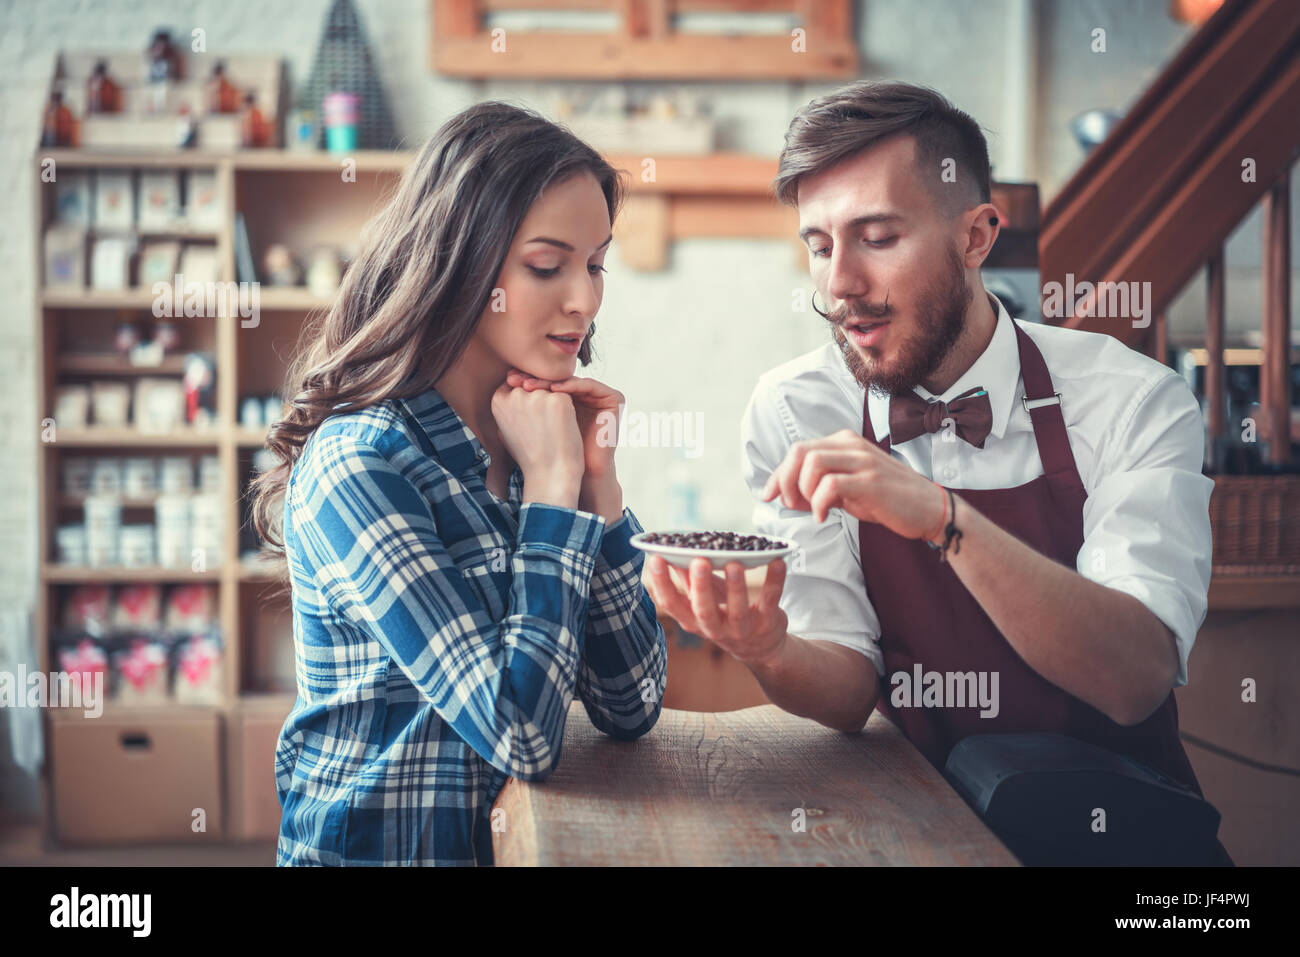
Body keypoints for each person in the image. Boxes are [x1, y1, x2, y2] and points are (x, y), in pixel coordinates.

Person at [644, 80, 1231, 864]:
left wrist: (942, 517)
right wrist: (770, 647)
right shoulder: (795, 407)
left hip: (1129, 841)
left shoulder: (1131, 398)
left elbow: (1135, 677)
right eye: (819, 246)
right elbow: (849, 686)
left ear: (977, 237)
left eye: (877, 237)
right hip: (915, 837)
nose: (838, 284)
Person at [249, 101, 667, 866]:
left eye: (597, 263)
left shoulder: (541, 441)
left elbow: (632, 703)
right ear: (463, 263)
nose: (586, 298)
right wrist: (549, 491)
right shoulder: (363, 463)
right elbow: (523, 733)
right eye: (547, 265)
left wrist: (596, 490)